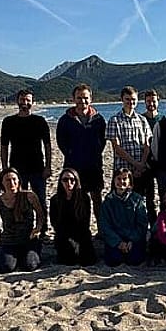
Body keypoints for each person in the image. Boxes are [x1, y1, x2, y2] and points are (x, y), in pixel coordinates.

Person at [55, 84, 107, 228]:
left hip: (94, 166)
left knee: (97, 199)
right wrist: (72, 153)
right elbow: (61, 142)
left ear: (90, 99)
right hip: (73, 166)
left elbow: (102, 141)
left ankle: (101, 230)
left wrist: (94, 153)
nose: (82, 101)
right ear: (74, 99)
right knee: (77, 199)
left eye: (85, 98)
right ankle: (81, 229)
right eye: (79, 98)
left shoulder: (99, 119)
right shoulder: (65, 120)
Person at [0, 90, 53, 222]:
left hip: (37, 168)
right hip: (17, 169)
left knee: (40, 199)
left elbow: (47, 145)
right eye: (23, 100)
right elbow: (4, 146)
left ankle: (42, 229)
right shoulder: (8, 122)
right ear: (17, 101)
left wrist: (48, 166)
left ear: (32, 102)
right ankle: (23, 228)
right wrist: (5, 168)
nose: (25, 103)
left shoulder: (40, 121)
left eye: (28, 100)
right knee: (19, 200)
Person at [105, 86, 153, 218]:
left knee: (139, 202)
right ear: (122, 100)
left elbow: (146, 145)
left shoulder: (142, 120)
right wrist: (135, 164)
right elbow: (117, 148)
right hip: (122, 170)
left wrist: (141, 164)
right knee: (120, 203)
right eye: (127, 99)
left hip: (140, 170)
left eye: (133, 100)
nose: (130, 102)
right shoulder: (114, 120)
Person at [0, 167, 44, 273]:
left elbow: (40, 215)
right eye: (8, 180)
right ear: (2, 183)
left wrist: (37, 228)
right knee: (7, 267)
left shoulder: (29, 196)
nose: (11, 183)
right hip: (9, 241)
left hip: (28, 239)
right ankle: (2, 251)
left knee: (30, 265)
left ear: (19, 181)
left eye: (14, 179)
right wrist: (1, 239)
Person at [100, 167, 149, 267]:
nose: (121, 182)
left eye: (124, 179)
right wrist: (118, 242)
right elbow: (105, 225)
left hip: (133, 239)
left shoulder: (137, 200)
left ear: (130, 182)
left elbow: (142, 224)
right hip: (116, 240)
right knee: (114, 260)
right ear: (114, 181)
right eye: (118, 178)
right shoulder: (108, 201)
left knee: (135, 260)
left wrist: (132, 240)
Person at [49, 168, 97, 266]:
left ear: (76, 181)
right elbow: (54, 222)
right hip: (64, 236)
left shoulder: (84, 198)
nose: (69, 183)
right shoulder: (55, 200)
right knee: (68, 261)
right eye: (65, 180)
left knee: (88, 261)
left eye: (72, 180)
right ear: (60, 182)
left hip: (81, 234)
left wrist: (77, 242)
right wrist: (70, 240)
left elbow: (85, 222)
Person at [137, 89, 162, 222]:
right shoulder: (140, 119)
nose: (151, 104)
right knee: (148, 196)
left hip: (160, 164)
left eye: (153, 101)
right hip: (145, 163)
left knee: (162, 194)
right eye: (148, 101)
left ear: (158, 101)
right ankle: (149, 222)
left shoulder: (162, 120)